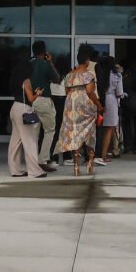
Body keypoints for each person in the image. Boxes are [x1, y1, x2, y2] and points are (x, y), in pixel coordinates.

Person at [54, 44, 100, 175]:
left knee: (74, 134)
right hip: (86, 105)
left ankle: (75, 166)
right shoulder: (89, 74)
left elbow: (67, 90)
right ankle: (90, 164)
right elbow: (90, 91)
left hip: (71, 105)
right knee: (89, 133)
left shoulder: (69, 75)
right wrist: (98, 105)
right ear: (87, 61)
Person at [6, 49, 48, 179]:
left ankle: (15, 169)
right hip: (24, 109)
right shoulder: (26, 80)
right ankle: (35, 171)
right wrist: (38, 94)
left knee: (15, 141)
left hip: (14, 108)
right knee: (29, 141)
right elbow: (31, 99)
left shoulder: (15, 79)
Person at [27, 41, 60, 169]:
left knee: (33, 132)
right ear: (44, 51)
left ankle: (31, 159)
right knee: (49, 130)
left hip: (30, 101)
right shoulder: (46, 64)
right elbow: (57, 79)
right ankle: (43, 159)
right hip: (44, 99)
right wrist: (50, 62)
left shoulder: (28, 65)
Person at [96, 54, 121, 164]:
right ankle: (103, 154)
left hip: (100, 99)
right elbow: (119, 93)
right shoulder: (116, 75)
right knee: (109, 129)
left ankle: (95, 153)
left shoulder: (100, 72)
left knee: (98, 129)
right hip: (111, 100)